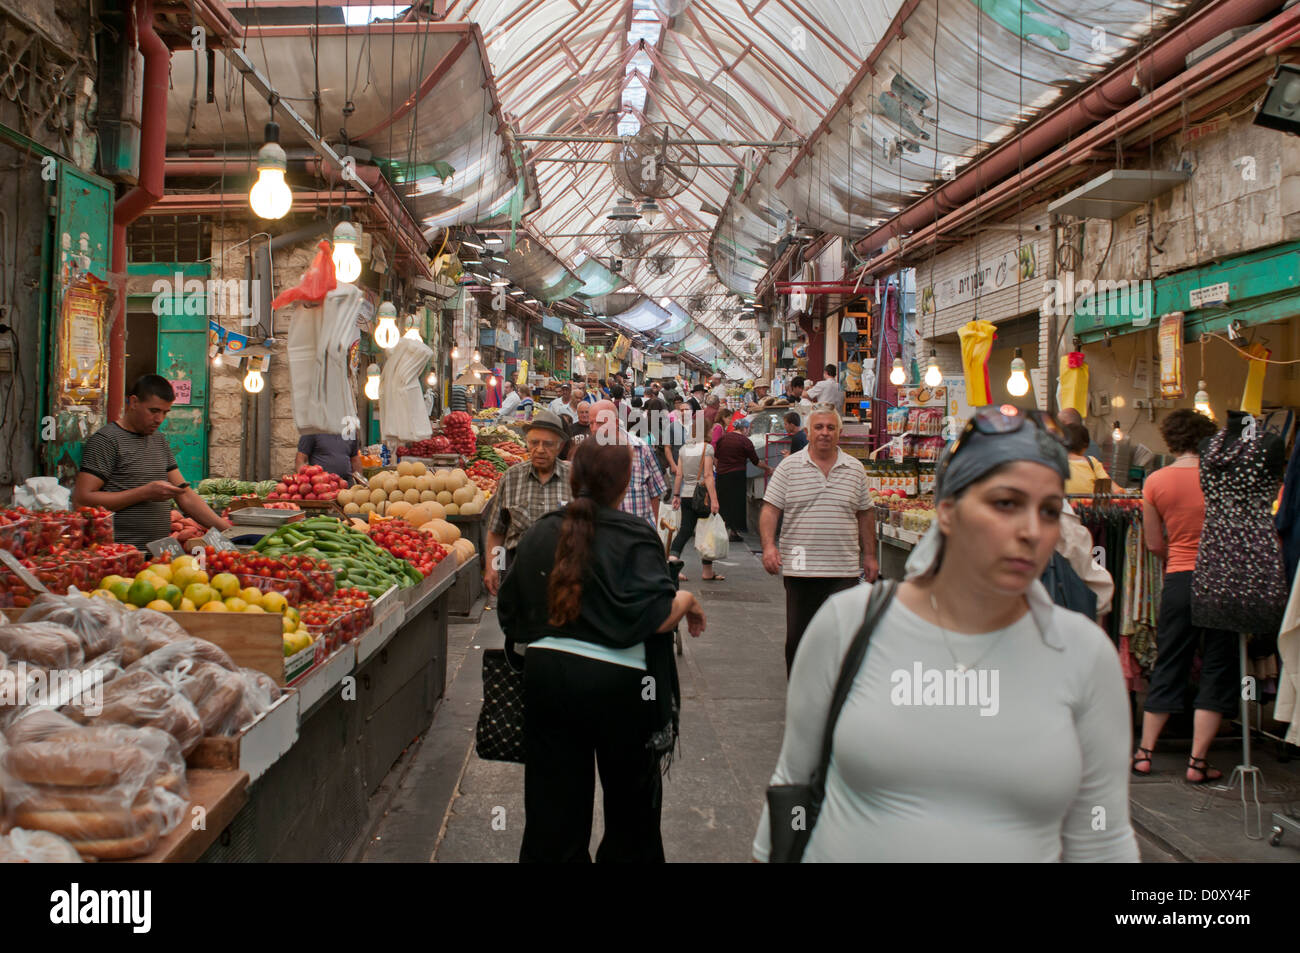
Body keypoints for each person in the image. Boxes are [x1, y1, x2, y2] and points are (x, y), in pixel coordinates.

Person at [752, 404, 1138, 862]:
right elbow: (793, 784)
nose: (1032, 531)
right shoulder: (849, 627)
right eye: (1005, 503)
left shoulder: (1082, 653)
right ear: (948, 511)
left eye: (1050, 511)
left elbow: (1102, 838)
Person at [498, 439, 706, 863]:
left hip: (548, 681)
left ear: (572, 478)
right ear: (626, 482)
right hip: (622, 688)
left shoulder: (540, 532)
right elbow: (656, 615)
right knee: (633, 813)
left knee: (552, 811)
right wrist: (686, 602)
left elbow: (510, 611)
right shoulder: (637, 535)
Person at [1135, 408, 1235, 784]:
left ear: (1171, 440)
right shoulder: (1223, 478)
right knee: (1216, 667)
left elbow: (1153, 543)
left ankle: (1144, 753)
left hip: (1178, 580)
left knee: (1169, 662)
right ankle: (1197, 763)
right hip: (1220, 580)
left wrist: (1178, 552)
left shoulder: (1155, 482)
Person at [759, 404, 877, 675]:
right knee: (798, 640)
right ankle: (801, 698)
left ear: (840, 433)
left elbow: (865, 513)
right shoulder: (788, 468)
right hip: (801, 569)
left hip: (843, 569)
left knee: (840, 640)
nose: (825, 433)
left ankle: (833, 700)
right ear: (809, 432)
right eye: (819, 427)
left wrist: (870, 556)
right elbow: (770, 509)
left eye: (830, 428)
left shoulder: (855, 468)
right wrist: (768, 546)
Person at [74, 374, 231, 550]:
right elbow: (82, 499)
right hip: (117, 554)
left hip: (157, 553)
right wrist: (144, 493)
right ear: (133, 402)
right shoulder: (106, 441)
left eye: (165, 412)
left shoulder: (159, 440)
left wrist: (229, 531)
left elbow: (184, 494)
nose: (160, 419)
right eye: (154, 411)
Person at [483, 410, 572, 596]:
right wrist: (493, 568)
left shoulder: (575, 477)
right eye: (534, 443)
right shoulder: (511, 477)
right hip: (518, 571)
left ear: (560, 446)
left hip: (564, 575)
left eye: (548, 444)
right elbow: (496, 531)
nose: (540, 449)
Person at [591, 400, 666, 527]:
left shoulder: (641, 449)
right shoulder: (588, 454)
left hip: (638, 534)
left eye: (599, 423)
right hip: (604, 535)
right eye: (590, 424)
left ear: (614, 423)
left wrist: (653, 532)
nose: (593, 429)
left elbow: (655, 493)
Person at [670, 431, 722, 582]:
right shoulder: (708, 449)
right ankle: (707, 571)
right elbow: (708, 475)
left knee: (685, 531)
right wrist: (714, 499)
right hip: (702, 497)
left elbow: (679, 475)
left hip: (686, 495)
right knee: (707, 533)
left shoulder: (683, 449)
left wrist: (676, 495)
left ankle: (672, 563)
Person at [714, 418, 771, 542]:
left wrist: (719, 469)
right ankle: (734, 532)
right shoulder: (745, 441)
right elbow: (755, 461)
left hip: (722, 475)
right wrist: (768, 468)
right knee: (736, 503)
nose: (748, 431)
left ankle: (721, 529)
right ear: (744, 428)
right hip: (737, 475)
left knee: (723, 502)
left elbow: (716, 457)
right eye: (748, 429)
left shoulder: (723, 439)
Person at [295, 432, 361, 484]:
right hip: (322, 488)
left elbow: (355, 460)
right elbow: (301, 459)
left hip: (346, 486)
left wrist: (361, 483)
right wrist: (302, 482)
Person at [1063, 423, 1110, 494]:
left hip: (1061, 504)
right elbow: (1108, 485)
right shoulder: (1091, 462)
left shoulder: (1054, 462)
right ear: (1086, 446)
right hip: (1087, 504)